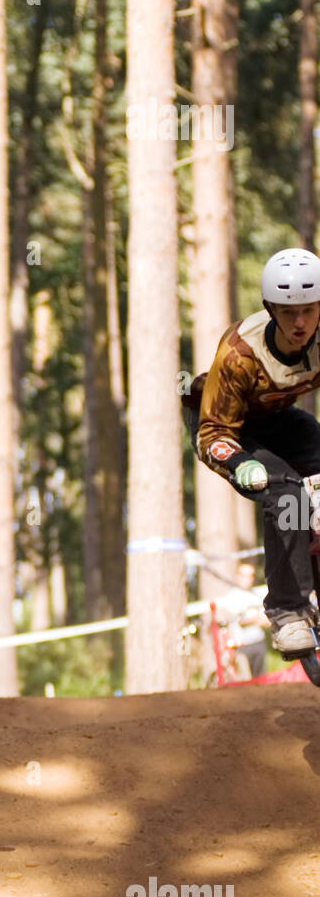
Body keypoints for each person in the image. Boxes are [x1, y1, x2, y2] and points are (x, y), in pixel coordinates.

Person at [183, 247, 320, 656]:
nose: (300, 323)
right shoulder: (239, 353)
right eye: (288, 312)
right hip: (223, 428)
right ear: (270, 310)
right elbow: (213, 432)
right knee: (287, 494)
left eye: (310, 311)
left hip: (279, 417)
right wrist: (239, 462)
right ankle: (287, 611)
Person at [215, 562, 269, 678]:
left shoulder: (257, 595)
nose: (247, 579)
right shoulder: (232, 597)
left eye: (250, 576)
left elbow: (266, 621)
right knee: (244, 680)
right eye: (244, 575)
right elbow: (241, 621)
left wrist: (255, 619)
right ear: (237, 576)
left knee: (261, 678)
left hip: (259, 642)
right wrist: (256, 619)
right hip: (242, 646)